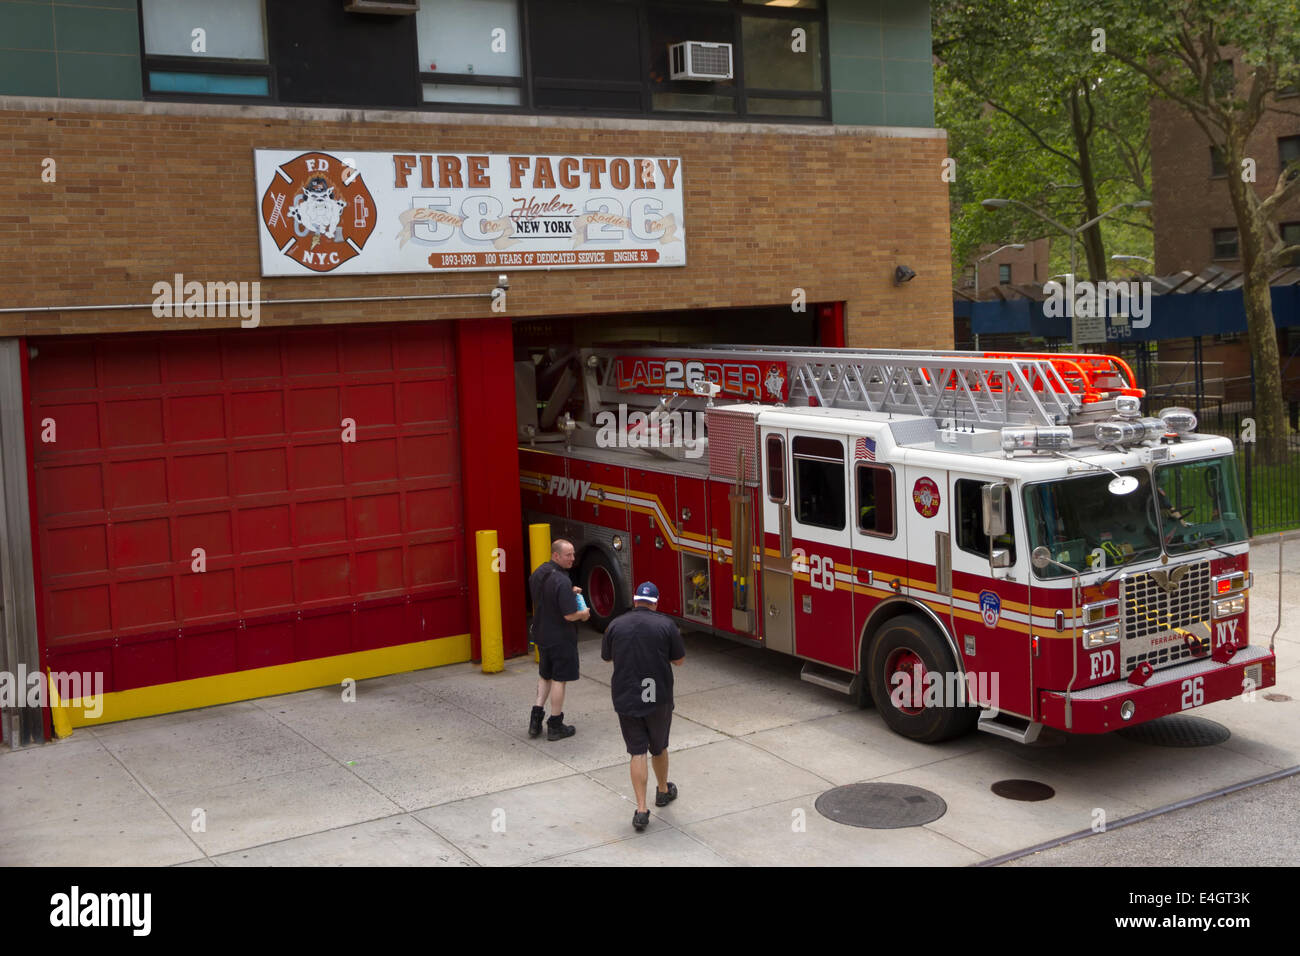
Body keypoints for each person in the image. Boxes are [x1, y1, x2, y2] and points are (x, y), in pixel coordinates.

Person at [600, 581, 686, 831]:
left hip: (627, 697)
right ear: (655, 602)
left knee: (637, 751)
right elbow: (679, 660)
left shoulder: (615, 625)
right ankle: (662, 790)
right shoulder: (666, 625)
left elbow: (607, 658)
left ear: (635, 600)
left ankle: (641, 809)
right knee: (658, 748)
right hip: (657, 699)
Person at [528, 539, 589, 741]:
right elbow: (569, 615)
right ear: (556, 555)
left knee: (545, 675)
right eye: (568, 555)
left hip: (542, 634)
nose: (573, 558)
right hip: (561, 638)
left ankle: (535, 719)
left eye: (573, 554)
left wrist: (567, 593)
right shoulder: (562, 581)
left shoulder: (540, 572)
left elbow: (545, 595)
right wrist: (584, 614)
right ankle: (555, 724)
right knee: (559, 679)